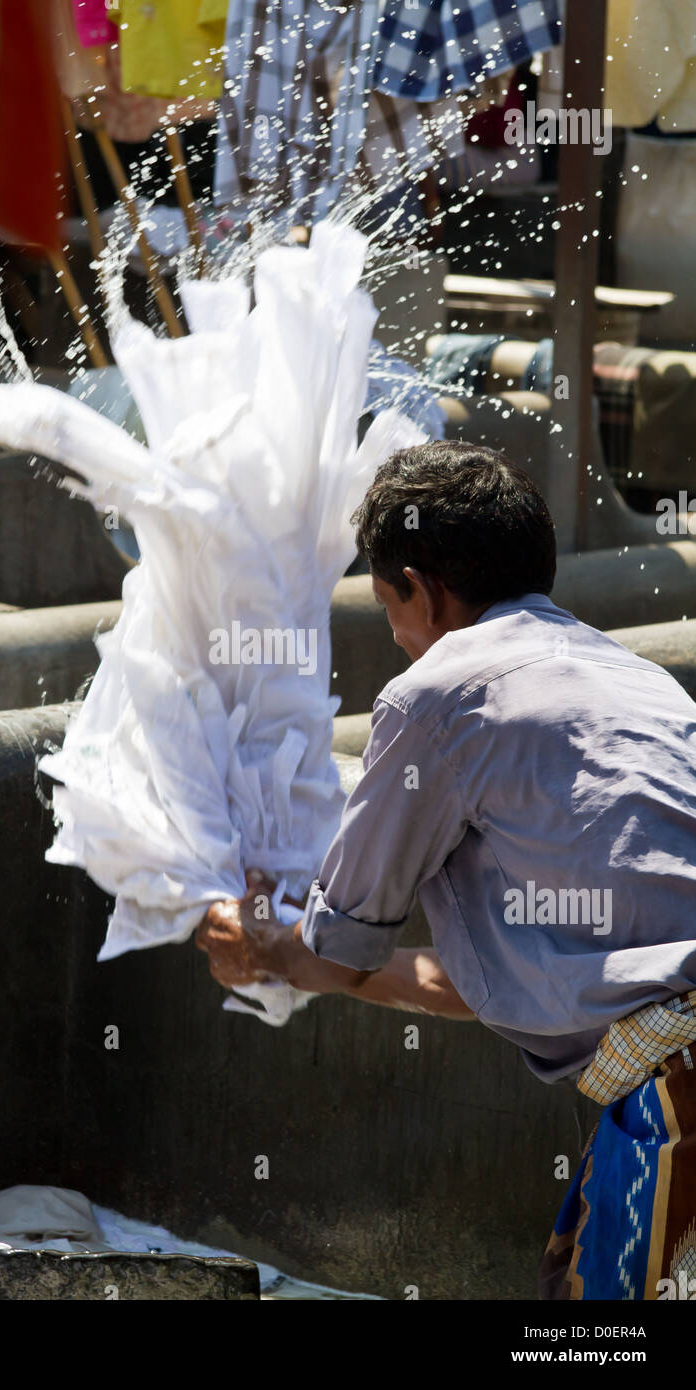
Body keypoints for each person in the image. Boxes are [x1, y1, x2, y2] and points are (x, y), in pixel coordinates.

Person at [195, 439, 696, 1301]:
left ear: (418, 590)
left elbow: (344, 949)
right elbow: (493, 981)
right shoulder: (644, 683)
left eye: (388, 607)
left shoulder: (435, 696)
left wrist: (267, 947)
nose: (397, 638)